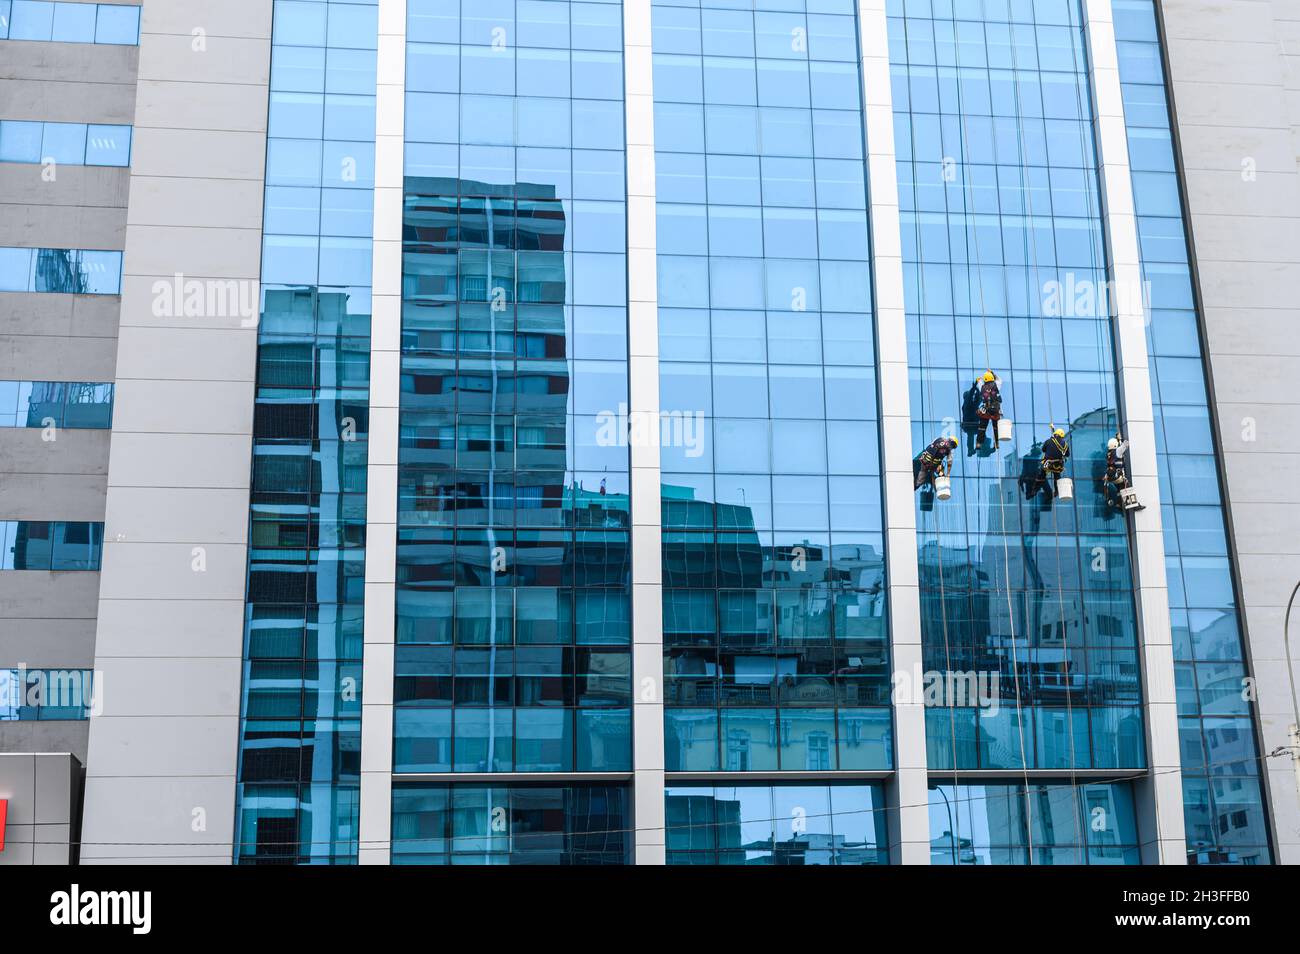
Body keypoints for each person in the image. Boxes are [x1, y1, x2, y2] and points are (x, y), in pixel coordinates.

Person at [1104, 434, 1144, 510]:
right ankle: (1135, 506)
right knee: (1128, 489)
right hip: (1119, 477)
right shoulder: (1117, 451)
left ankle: (1119, 504)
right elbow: (1126, 444)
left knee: (1120, 490)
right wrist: (1120, 439)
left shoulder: (1108, 454)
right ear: (1115, 445)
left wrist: (1117, 440)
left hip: (1113, 478)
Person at [973, 370, 1003, 450]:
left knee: (982, 427)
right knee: (996, 428)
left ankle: (979, 443)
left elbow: (979, 381)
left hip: (986, 410)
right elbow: (999, 379)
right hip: (995, 410)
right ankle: (996, 443)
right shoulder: (997, 384)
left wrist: (979, 379)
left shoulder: (981, 386)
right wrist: (992, 373)